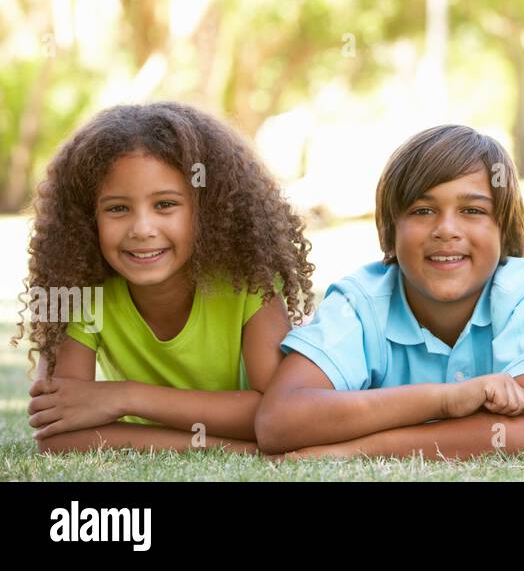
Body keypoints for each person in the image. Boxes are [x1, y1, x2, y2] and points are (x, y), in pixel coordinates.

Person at [256, 125, 524, 458]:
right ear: (391, 229)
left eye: (473, 211)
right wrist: (446, 399)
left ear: (504, 228)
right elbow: (278, 421)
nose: (447, 230)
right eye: (423, 211)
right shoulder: (360, 302)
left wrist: (363, 448)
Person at [19, 102, 313, 453]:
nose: (142, 229)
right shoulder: (80, 292)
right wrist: (235, 448)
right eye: (117, 209)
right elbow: (56, 431)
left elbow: (281, 413)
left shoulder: (248, 282)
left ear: (208, 209)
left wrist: (124, 397)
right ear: (86, 218)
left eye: (165, 205)